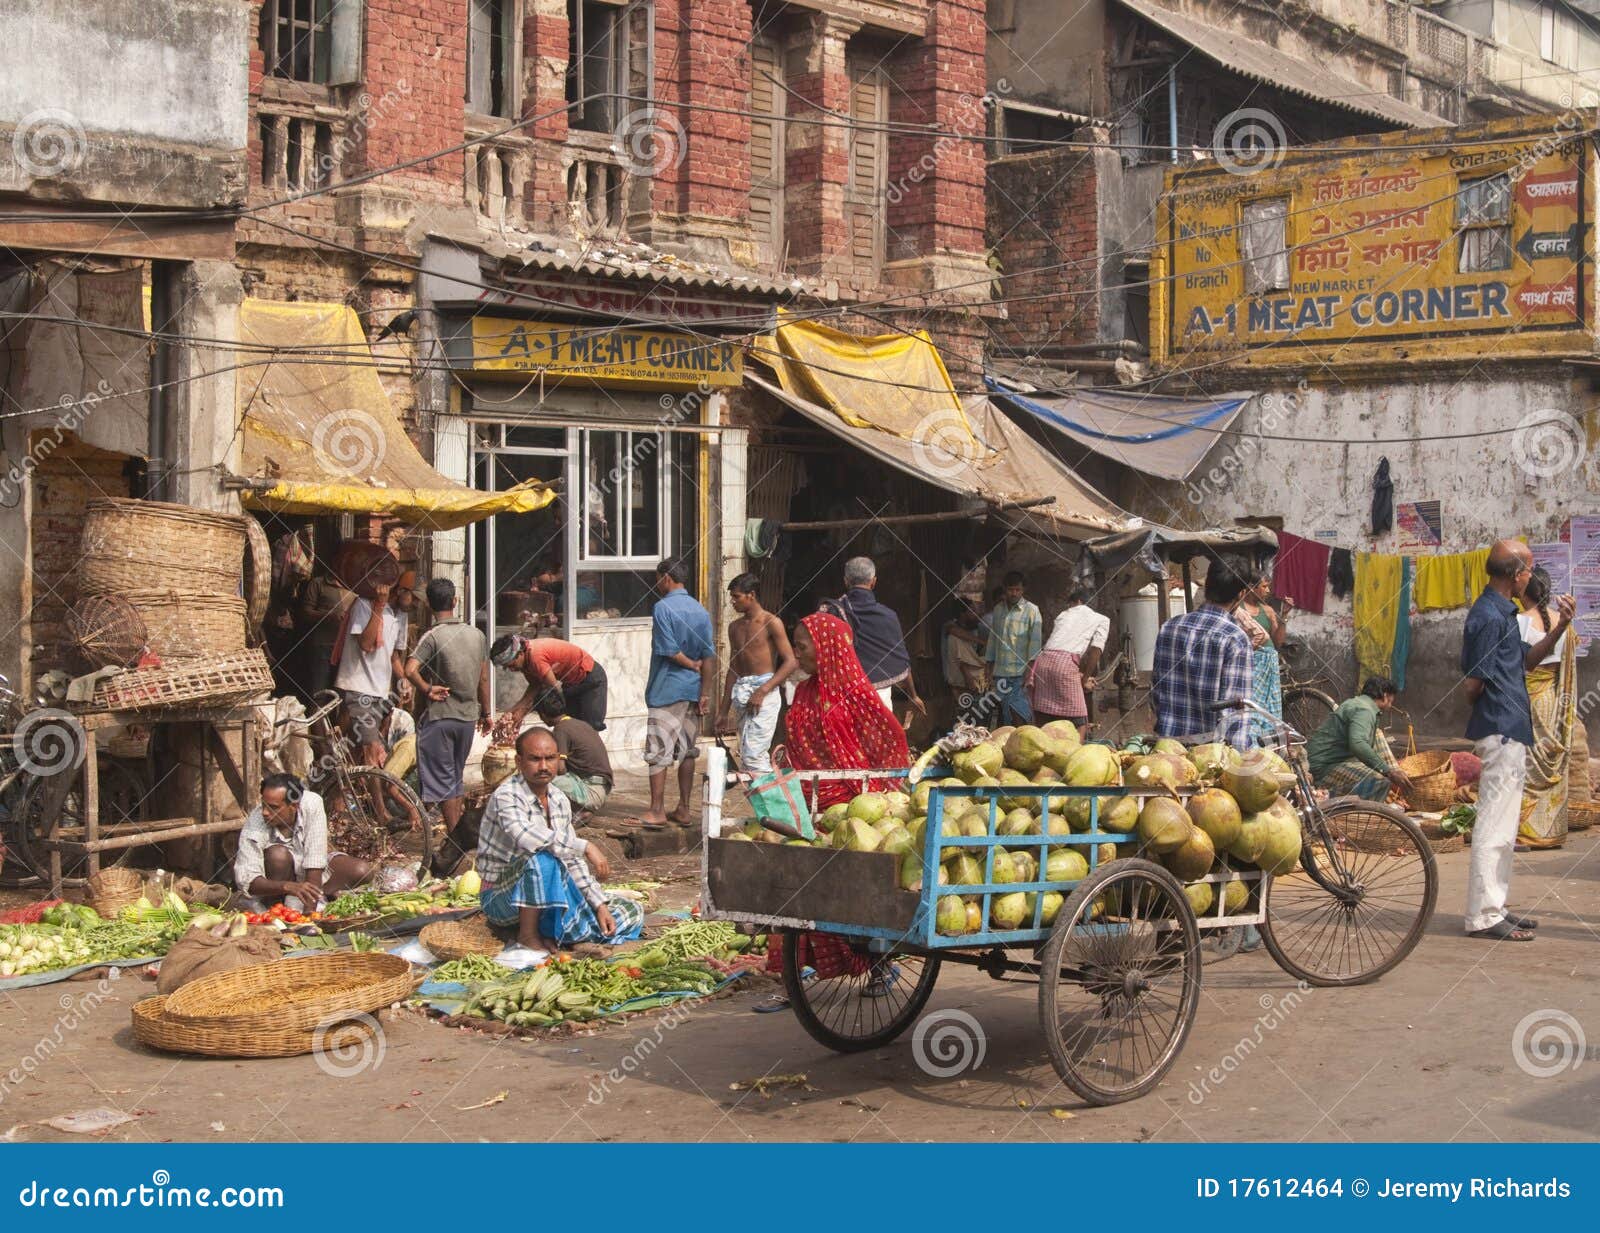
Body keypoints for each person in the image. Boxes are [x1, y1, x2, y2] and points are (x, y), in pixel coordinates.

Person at [757, 612, 912, 1011]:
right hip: (809, 804)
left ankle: (879, 963)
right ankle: (793, 979)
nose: (796, 653)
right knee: (795, 887)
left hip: (851, 806)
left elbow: (890, 740)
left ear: (827, 649)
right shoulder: (805, 692)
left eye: (802, 646)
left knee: (847, 891)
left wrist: (878, 791)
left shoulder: (856, 694)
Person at [1460, 539, 1570, 942]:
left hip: (1509, 726)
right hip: (1499, 726)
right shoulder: (1489, 616)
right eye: (1528, 570)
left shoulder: (1503, 612)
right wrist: (1491, 700)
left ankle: (1496, 906)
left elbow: (1525, 661)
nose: (1530, 576)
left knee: (1506, 827)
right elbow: (1473, 683)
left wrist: (1559, 628)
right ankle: (1484, 916)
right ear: (1516, 574)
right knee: (1494, 824)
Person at [476, 728, 639, 966]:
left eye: (550, 758)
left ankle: (558, 934)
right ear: (519, 762)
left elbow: (571, 859)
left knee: (629, 911)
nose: (544, 766)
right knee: (541, 859)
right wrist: (585, 845)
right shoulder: (507, 795)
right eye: (535, 759)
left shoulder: (559, 799)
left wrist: (599, 903)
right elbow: (527, 837)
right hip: (501, 897)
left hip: (546, 893)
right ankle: (527, 936)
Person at [406, 578, 491, 874]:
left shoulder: (432, 636)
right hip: (467, 719)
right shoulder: (476, 635)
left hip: (441, 717)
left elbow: (409, 669)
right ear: (455, 602)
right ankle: (459, 842)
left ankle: (456, 845)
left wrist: (427, 689)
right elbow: (483, 678)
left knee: (445, 785)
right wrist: (487, 712)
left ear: (430, 605)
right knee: (454, 779)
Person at [641, 557, 716, 827]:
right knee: (687, 750)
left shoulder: (662, 608)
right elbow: (709, 655)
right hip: (692, 690)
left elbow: (669, 649)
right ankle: (684, 808)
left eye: (657, 578)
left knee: (658, 750)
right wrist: (704, 692)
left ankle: (657, 810)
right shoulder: (700, 610)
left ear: (665, 578)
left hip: (666, 688)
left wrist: (689, 663)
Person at [1152, 556, 1254, 749]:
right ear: (1241, 594)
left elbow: (1156, 694)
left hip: (1168, 751)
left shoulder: (1169, 627)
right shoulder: (1235, 639)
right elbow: (1234, 716)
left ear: (1206, 585)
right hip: (1209, 759)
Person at [233, 773, 372, 909]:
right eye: (263, 805)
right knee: (277, 855)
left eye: (273, 807)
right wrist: (287, 886)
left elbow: (315, 861)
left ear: (294, 806)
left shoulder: (312, 804)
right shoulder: (256, 822)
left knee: (361, 870)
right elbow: (247, 880)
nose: (265, 812)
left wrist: (309, 916)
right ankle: (275, 907)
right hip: (277, 881)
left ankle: (320, 897)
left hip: (308, 876)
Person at [1517, 566, 1578, 850]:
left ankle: (1529, 831)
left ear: (1523, 590)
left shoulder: (1520, 621)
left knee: (1527, 766)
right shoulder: (1562, 622)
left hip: (1529, 697)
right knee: (1551, 763)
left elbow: (1519, 664)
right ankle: (1551, 831)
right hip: (1555, 698)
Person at [819, 556, 926, 719]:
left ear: (846, 581)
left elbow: (819, 656)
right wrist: (913, 695)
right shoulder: (889, 616)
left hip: (841, 699)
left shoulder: (830, 614)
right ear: (873, 582)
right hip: (879, 700)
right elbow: (900, 658)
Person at [717, 573, 797, 775]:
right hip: (743, 692)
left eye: (737, 597)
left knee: (755, 755)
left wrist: (763, 691)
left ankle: (773, 802)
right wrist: (723, 712)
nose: (733, 602)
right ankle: (764, 804)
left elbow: (790, 662)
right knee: (747, 755)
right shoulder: (734, 627)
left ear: (751, 595)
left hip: (765, 692)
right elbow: (733, 670)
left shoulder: (771, 622)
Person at [335, 572, 415, 765]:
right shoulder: (365, 604)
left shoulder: (401, 615)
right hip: (358, 688)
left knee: (355, 753)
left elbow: (393, 654)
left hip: (379, 692)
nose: (417, 604)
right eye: (413, 596)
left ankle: (341, 793)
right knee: (371, 750)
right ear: (401, 591)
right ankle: (377, 796)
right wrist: (378, 606)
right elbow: (366, 644)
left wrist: (403, 679)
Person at [1304, 676, 1412, 802]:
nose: (1391, 705)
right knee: (1379, 782)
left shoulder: (1358, 703)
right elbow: (1358, 744)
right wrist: (1388, 772)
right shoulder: (1364, 710)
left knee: (1377, 734)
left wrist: (1392, 770)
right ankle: (1323, 797)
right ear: (1385, 695)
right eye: (1391, 700)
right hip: (1322, 768)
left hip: (1326, 761)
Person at [1028, 586, 1108, 731]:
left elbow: (1059, 650)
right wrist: (1084, 680)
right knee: (1080, 722)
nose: (1070, 607)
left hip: (1044, 661)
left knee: (1045, 716)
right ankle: (1076, 751)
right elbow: (1095, 651)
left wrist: (1080, 676)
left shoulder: (1063, 615)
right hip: (1063, 664)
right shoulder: (1102, 619)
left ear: (1076, 601)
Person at [492, 635, 609, 733]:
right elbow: (535, 686)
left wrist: (522, 712)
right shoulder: (525, 661)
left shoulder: (535, 657)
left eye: (512, 665)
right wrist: (513, 711)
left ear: (520, 654)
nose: (512, 670)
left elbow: (553, 691)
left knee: (589, 729)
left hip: (590, 679)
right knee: (571, 728)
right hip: (571, 684)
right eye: (507, 667)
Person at [535, 692, 614, 817]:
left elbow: (560, 769)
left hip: (591, 791)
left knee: (539, 777)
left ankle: (577, 810)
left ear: (543, 715)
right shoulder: (580, 724)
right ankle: (579, 809)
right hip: (602, 789)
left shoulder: (561, 729)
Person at [1235, 569, 1288, 742]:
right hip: (1250, 664)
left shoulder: (1268, 611)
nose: (1267, 591)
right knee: (1251, 705)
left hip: (1269, 663)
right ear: (1251, 587)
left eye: (1268, 587)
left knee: (1269, 705)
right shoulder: (1238, 609)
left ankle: (1268, 741)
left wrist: (1284, 616)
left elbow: (1277, 642)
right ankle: (1251, 740)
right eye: (1264, 586)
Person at [986, 571, 1043, 726]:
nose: (1014, 593)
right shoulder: (998, 609)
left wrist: (1029, 672)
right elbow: (993, 638)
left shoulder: (1032, 610)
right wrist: (989, 665)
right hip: (1000, 672)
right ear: (1005, 589)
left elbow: (1035, 643)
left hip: (1020, 672)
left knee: (1019, 712)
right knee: (1005, 713)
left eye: (1017, 590)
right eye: (1011, 589)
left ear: (1023, 590)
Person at [943, 599, 990, 724]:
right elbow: (961, 658)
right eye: (972, 610)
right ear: (962, 613)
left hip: (969, 679)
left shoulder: (974, 628)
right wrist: (982, 641)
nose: (976, 613)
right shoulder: (951, 628)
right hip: (959, 677)